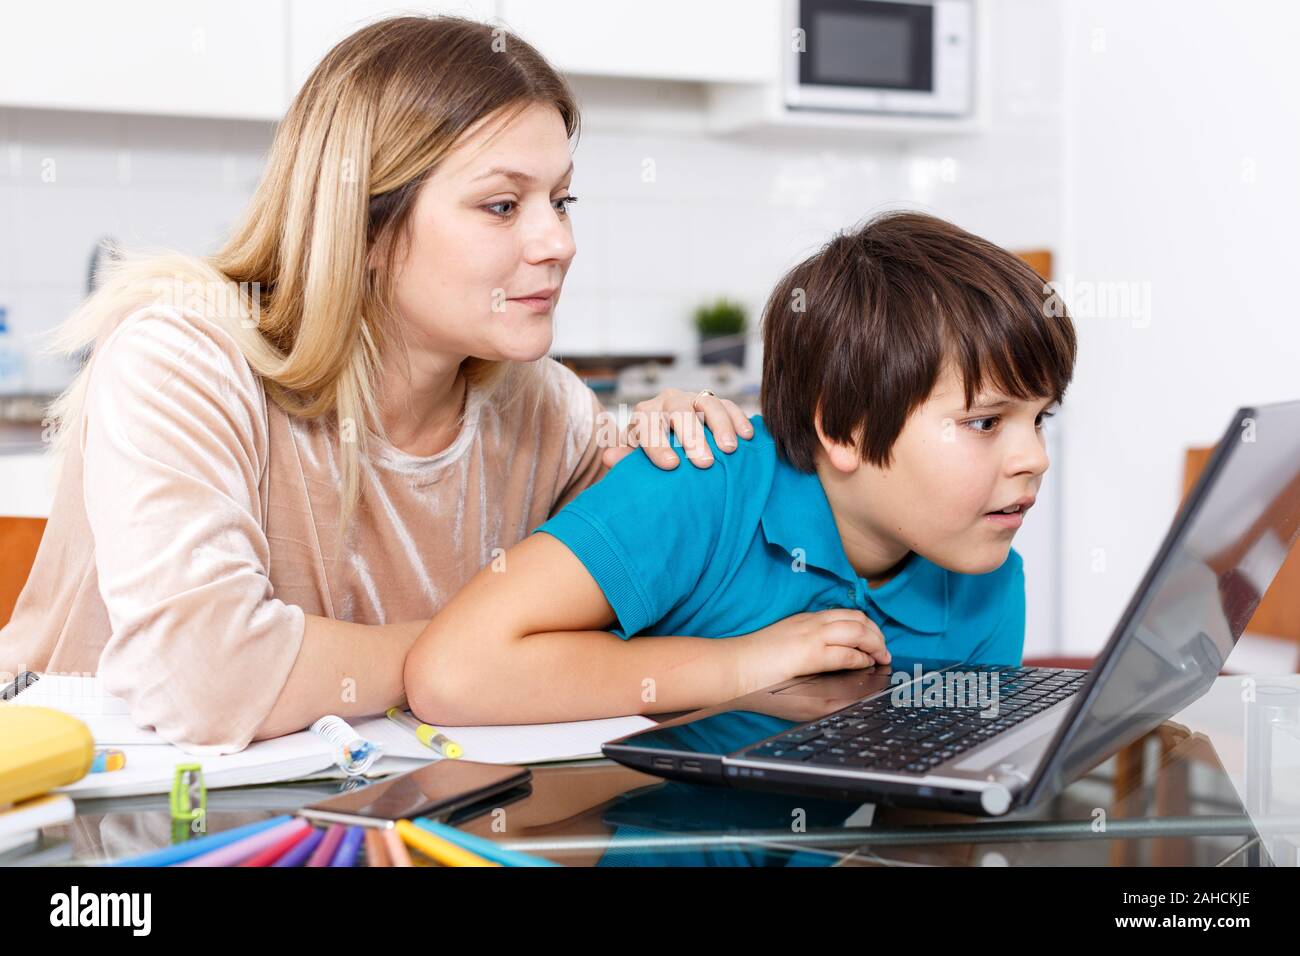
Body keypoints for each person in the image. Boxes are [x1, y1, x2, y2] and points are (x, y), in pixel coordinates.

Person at [0, 16, 756, 753]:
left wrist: (683, 470)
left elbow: (668, 619)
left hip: (366, 808)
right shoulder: (183, 356)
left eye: (560, 200)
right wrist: (475, 662)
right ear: (365, 225)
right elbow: (205, 674)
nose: (559, 242)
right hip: (92, 810)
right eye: (503, 205)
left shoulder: (543, 406)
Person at [404, 211, 1079, 726]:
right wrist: (744, 666)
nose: (1034, 460)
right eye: (985, 422)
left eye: (1040, 418)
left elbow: (939, 818)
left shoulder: (986, 580)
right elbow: (452, 671)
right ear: (844, 428)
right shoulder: (699, 478)